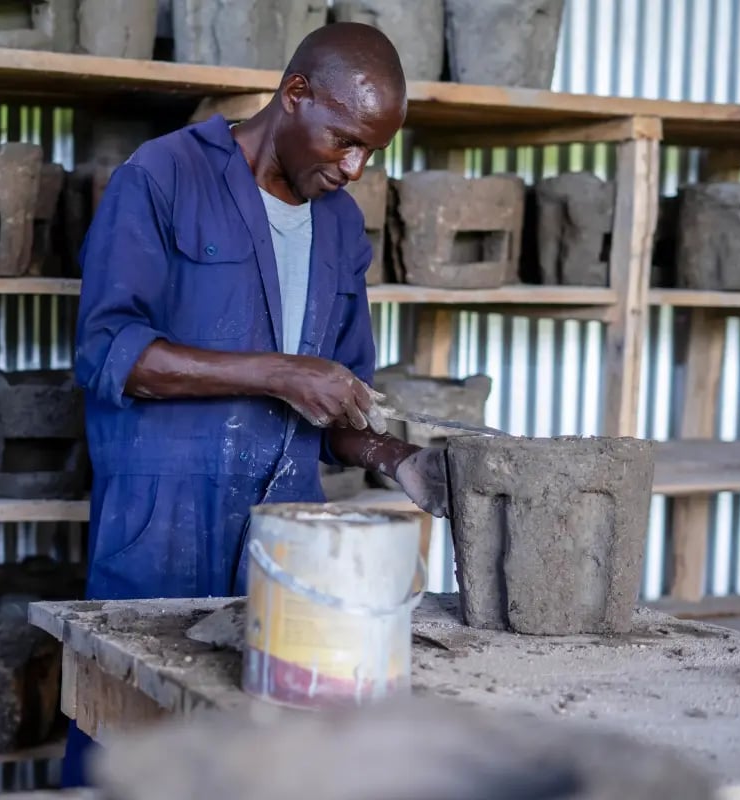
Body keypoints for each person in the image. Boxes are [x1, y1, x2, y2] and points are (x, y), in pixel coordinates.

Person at [62, 21, 449, 786]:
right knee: (129, 751)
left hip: (288, 541)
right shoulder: (164, 175)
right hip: (163, 524)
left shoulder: (339, 224)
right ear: (295, 93)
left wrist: (397, 459)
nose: (355, 168)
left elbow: (334, 404)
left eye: (372, 152)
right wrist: (280, 373)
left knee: (266, 766)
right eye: (345, 141)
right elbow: (110, 355)